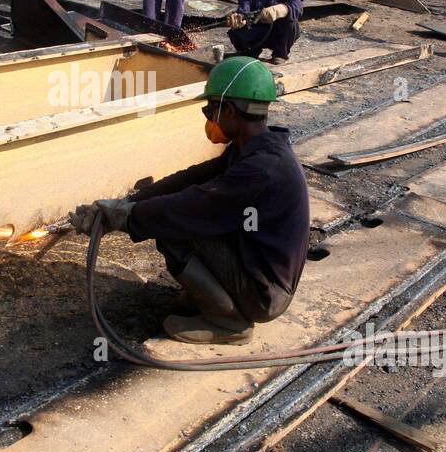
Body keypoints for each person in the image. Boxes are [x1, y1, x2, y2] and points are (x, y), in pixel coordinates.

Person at [70, 56, 309, 345]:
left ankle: (229, 321)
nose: (209, 119)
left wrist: (126, 217)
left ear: (230, 110)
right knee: (171, 213)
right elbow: (193, 178)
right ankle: (216, 297)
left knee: (173, 226)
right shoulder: (256, 149)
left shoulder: (262, 169)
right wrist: (127, 203)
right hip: (261, 269)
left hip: (265, 294)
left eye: (210, 110)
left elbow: (192, 207)